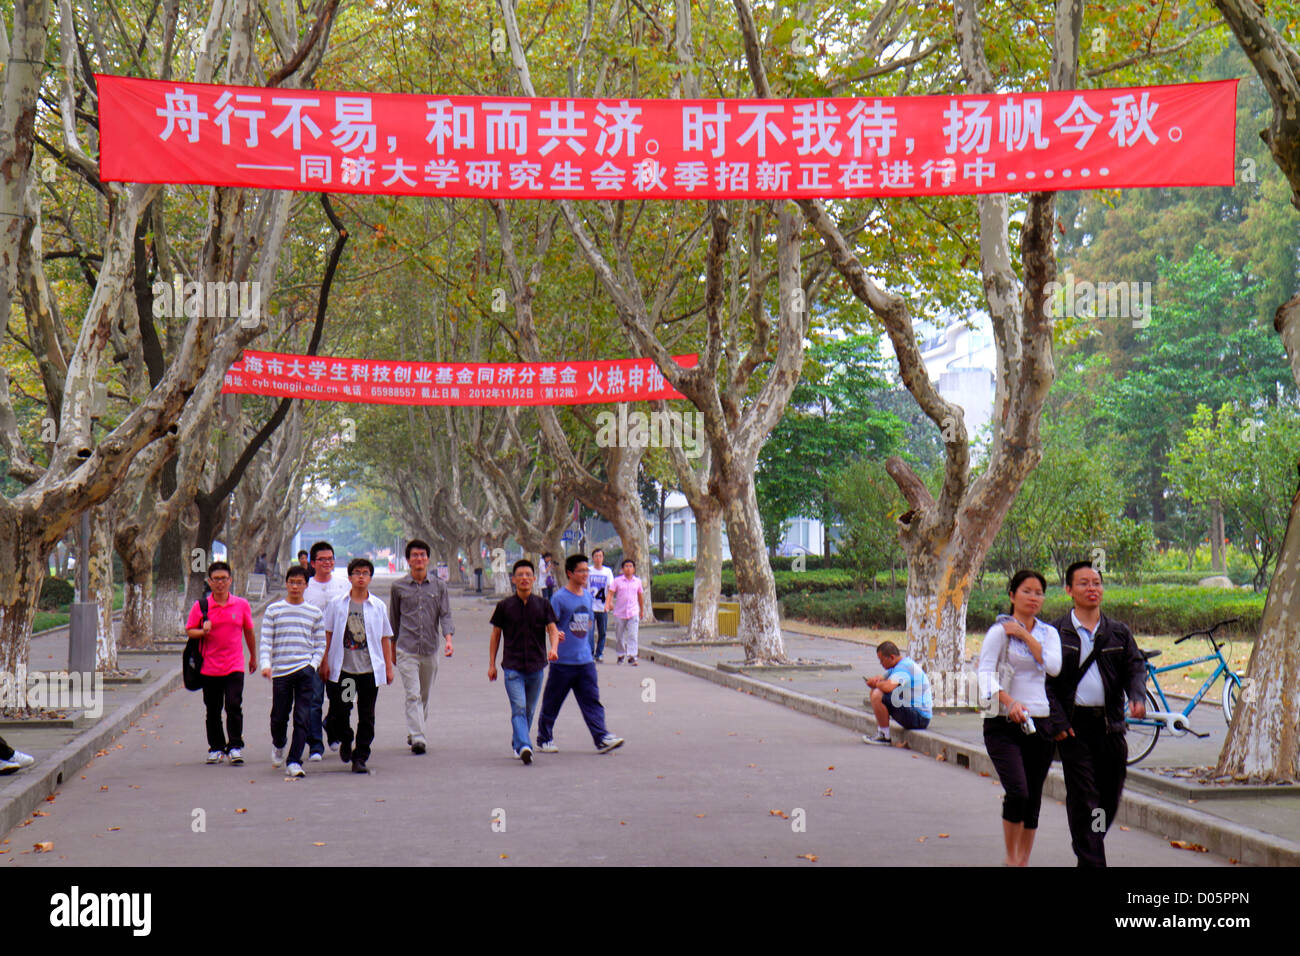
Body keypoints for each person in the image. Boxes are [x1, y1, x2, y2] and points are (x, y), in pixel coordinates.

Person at [1047, 561, 1148, 867]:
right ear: (1068, 590)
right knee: (1085, 798)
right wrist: (1059, 723)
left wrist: (1137, 696)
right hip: (1074, 730)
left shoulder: (1118, 632)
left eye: (1096, 582)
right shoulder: (1054, 633)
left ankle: (1088, 846)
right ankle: (1093, 860)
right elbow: (1044, 683)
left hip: (1111, 728)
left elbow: (1135, 667)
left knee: (1106, 799)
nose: (1092, 588)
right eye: (1083, 583)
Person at [978, 569, 1061, 867]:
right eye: (1027, 591)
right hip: (1003, 723)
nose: (1033, 597)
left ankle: (1023, 861)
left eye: (1039, 592)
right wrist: (1009, 701)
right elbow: (985, 673)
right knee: (1018, 791)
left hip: (1040, 722)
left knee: (1034, 795)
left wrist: (1025, 634)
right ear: (1012, 595)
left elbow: (1053, 667)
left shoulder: (1048, 633)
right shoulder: (998, 632)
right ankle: (1011, 858)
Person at [536, 554, 625, 755]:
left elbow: (589, 622)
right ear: (570, 573)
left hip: (585, 661)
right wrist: (555, 639)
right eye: (581, 571)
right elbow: (549, 625)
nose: (585, 574)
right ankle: (544, 738)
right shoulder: (559, 598)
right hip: (563, 662)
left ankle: (601, 737)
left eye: (587, 570)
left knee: (592, 700)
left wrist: (588, 649)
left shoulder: (586, 596)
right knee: (553, 701)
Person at [320, 558, 395, 774]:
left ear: (370, 577)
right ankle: (345, 737)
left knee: (367, 715)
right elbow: (328, 633)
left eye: (365, 573)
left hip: (369, 671)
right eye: (356, 572)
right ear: (350, 577)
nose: (361, 576)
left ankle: (361, 755)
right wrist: (324, 661)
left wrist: (388, 667)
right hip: (347, 672)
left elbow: (384, 637)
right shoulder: (338, 604)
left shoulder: (377, 606)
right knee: (342, 711)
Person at [487, 559, 560, 764]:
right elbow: (495, 636)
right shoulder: (504, 606)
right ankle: (525, 746)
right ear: (514, 579)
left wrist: (554, 649)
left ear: (534, 579)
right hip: (512, 667)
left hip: (536, 667)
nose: (524, 578)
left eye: (528, 575)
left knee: (528, 710)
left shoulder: (543, 605)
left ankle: (518, 743)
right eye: (520, 575)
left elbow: (553, 630)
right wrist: (492, 664)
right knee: (518, 707)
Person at [185, 561, 257, 765]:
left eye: (224, 579)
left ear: (230, 581)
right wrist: (203, 631)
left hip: (234, 665)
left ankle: (235, 746)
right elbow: (190, 630)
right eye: (216, 579)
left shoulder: (241, 605)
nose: (220, 583)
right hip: (209, 667)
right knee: (213, 709)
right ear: (209, 582)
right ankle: (216, 747)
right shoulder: (201, 607)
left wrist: (253, 656)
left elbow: (249, 631)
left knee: (234, 705)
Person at [390, 539, 455, 755]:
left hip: (430, 648)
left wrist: (448, 640)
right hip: (406, 649)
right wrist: (391, 650)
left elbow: (445, 615)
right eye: (415, 555)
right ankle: (418, 737)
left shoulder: (439, 586)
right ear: (408, 560)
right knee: (413, 694)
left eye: (423, 555)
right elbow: (394, 620)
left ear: (428, 559)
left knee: (424, 695)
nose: (419, 559)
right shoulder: (398, 587)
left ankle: (415, 729)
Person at [260, 565, 325, 777]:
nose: (295, 586)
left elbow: (320, 644)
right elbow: (266, 640)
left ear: (306, 585)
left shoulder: (314, 612)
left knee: (302, 716)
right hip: (281, 672)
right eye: (292, 582)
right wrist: (265, 664)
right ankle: (279, 743)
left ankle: (295, 761)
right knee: (279, 716)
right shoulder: (274, 610)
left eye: (300, 583)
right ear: (287, 583)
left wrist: (313, 665)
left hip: (305, 671)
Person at [304, 541, 349, 761]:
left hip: (339, 651)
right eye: (322, 559)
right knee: (314, 699)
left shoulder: (343, 585)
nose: (327, 563)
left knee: (342, 699)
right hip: (311, 652)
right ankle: (315, 745)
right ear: (313, 563)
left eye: (330, 558)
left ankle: (332, 727)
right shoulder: (305, 587)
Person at [862, 641, 932, 744]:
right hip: (916, 713)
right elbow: (881, 678)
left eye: (882, 660)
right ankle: (882, 732)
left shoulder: (904, 668)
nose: (881, 664)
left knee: (877, 693)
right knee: (875, 691)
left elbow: (888, 687)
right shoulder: (898, 666)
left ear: (891, 657)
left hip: (919, 717)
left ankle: (884, 736)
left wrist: (876, 684)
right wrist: (874, 680)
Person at [608, 558, 645, 666]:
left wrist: (642, 611)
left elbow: (640, 596)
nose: (628, 569)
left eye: (631, 566)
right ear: (622, 569)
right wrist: (608, 603)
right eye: (626, 566)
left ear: (634, 569)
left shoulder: (637, 582)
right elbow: (610, 593)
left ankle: (632, 656)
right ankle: (620, 654)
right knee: (619, 635)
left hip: (633, 611)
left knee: (633, 635)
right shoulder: (617, 581)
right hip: (620, 612)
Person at [587, 547, 614, 662]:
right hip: (590, 606)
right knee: (590, 632)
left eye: (600, 556)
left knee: (602, 632)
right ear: (593, 558)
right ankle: (590, 653)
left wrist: (609, 603)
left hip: (603, 607)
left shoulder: (607, 571)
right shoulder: (588, 571)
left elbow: (611, 589)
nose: (598, 558)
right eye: (596, 556)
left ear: (603, 558)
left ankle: (599, 653)